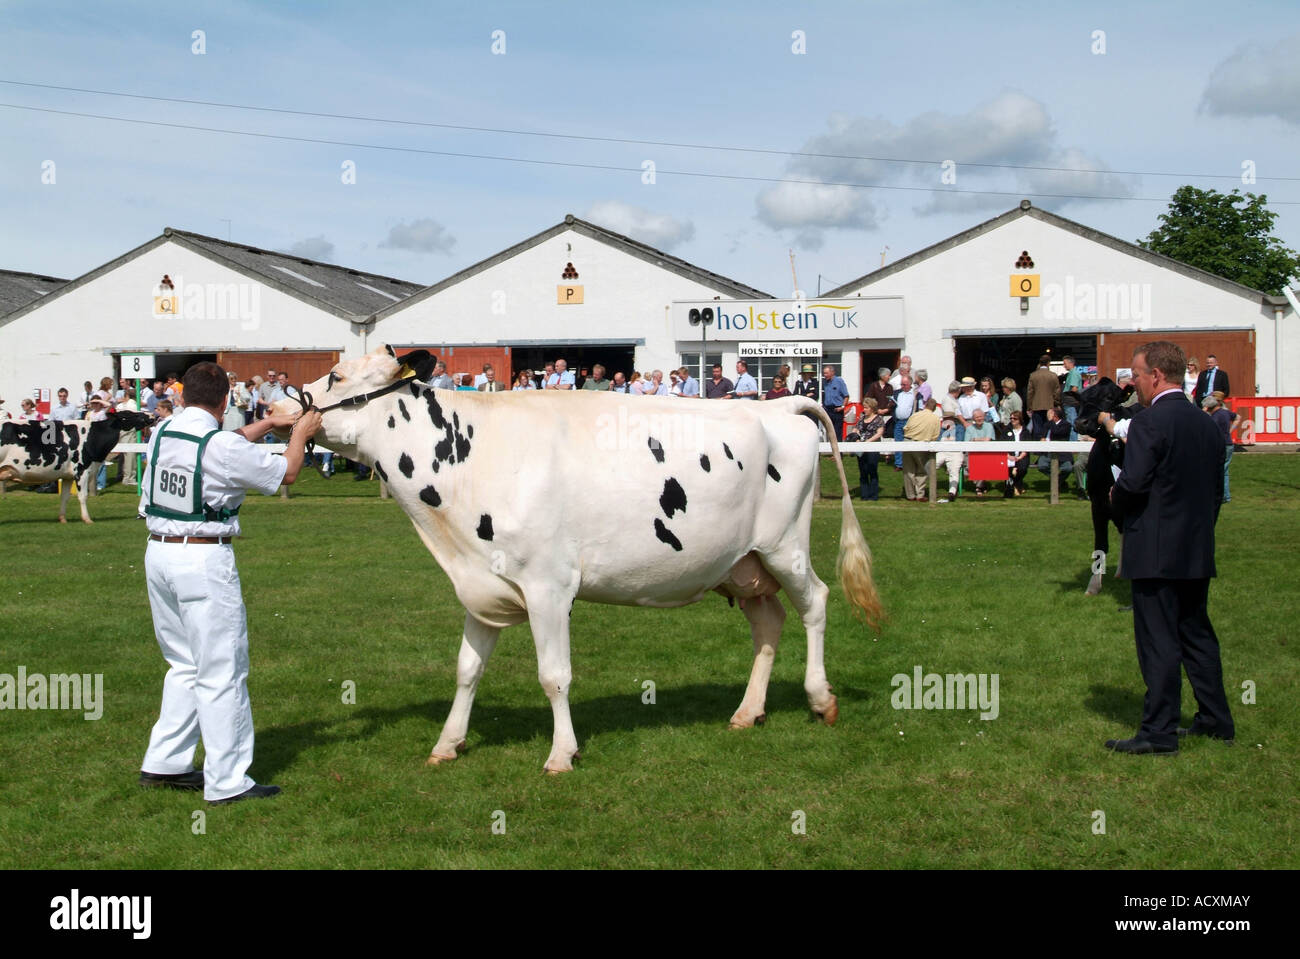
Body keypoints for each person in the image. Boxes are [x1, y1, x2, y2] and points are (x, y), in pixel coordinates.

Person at [138, 361, 321, 802]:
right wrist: (298, 433)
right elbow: (286, 473)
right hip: (201, 557)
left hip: (158, 552)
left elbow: (224, 446)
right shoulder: (218, 441)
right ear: (224, 401)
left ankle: (166, 762)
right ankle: (227, 781)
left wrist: (268, 422)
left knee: (183, 664)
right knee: (222, 670)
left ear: (182, 396)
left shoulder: (166, 430)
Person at [1106, 341, 1233, 754]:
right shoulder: (1206, 424)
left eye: (1137, 375)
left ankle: (1158, 731)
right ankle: (1215, 719)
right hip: (1195, 549)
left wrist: (1114, 500)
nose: (1134, 383)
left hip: (1155, 551)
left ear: (1156, 376)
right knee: (1196, 634)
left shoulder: (1148, 423)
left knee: (1158, 641)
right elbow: (1216, 492)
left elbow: (1134, 482)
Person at [1202, 395, 1239, 506]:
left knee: (1220, 471)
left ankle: (1224, 495)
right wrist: (1230, 430)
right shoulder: (1225, 412)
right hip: (1228, 443)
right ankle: (1224, 495)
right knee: (1224, 470)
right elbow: (1238, 417)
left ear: (1208, 407)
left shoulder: (1214, 418)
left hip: (1220, 445)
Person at [902, 397, 941, 501]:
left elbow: (906, 428)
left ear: (925, 405)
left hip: (907, 442)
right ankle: (920, 494)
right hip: (921, 444)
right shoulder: (935, 418)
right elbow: (935, 436)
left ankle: (910, 495)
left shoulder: (914, 415)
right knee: (921, 470)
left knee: (908, 470)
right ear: (934, 408)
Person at [850, 397, 886, 500]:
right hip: (861, 448)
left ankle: (873, 495)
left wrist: (868, 442)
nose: (864, 410)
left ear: (872, 408)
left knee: (872, 471)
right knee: (863, 471)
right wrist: (856, 438)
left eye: (866, 408)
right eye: (864, 407)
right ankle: (864, 495)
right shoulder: (862, 419)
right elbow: (855, 429)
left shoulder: (878, 420)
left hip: (872, 448)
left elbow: (879, 433)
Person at [964, 407, 996, 496]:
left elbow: (988, 440)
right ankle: (982, 485)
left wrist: (974, 439)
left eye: (981, 416)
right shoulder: (970, 428)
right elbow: (966, 443)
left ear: (984, 417)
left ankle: (978, 487)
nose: (979, 419)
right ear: (973, 419)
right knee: (970, 465)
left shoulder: (989, 426)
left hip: (986, 453)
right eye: (977, 417)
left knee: (982, 464)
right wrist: (980, 439)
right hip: (972, 452)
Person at [1027, 354, 1060, 435]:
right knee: (1049, 428)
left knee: (1037, 429)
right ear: (1048, 363)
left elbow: (1030, 392)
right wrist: (1056, 403)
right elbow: (1057, 391)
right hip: (1049, 405)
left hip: (1036, 406)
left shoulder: (1033, 375)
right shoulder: (1053, 375)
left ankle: (1038, 445)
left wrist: (1029, 406)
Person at [891, 373, 918, 469]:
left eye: (904, 384)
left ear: (910, 384)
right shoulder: (898, 393)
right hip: (898, 421)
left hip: (909, 421)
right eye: (901, 384)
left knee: (909, 442)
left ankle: (910, 463)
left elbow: (917, 408)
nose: (902, 386)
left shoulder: (915, 394)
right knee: (898, 442)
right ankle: (899, 464)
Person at [1002, 409, 1029, 497]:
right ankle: (1015, 487)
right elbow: (1001, 444)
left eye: (1015, 418)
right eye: (1011, 418)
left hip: (1022, 456)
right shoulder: (1006, 430)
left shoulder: (1026, 431)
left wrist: (1019, 457)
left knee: (1022, 469)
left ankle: (1015, 485)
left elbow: (1027, 447)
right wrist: (1008, 456)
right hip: (1009, 456)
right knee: (1007, 468)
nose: (1012, 420)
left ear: (1020, 420)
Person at [821, 364, 850, 440]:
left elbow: (846, 396)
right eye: (824, 373)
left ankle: (839, 450)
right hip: (828, 410)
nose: (825, 375)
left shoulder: (839, 381)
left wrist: (842, 407)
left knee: (837, 431)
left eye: (826, 373)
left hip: (837, 410)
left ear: (832, 372)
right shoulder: (825, 383)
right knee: (830, 431)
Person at [1060, 356, 1083, 433]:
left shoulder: (1073, 374)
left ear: (1071, 363)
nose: (1064, 365)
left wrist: (1070, 398)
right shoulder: (1071, 373)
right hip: (1070, 402)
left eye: (1065, 363)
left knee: (1072, 422)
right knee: (1071, 421)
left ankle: (1073, 441)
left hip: (1071, 402)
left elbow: (1074, 388)